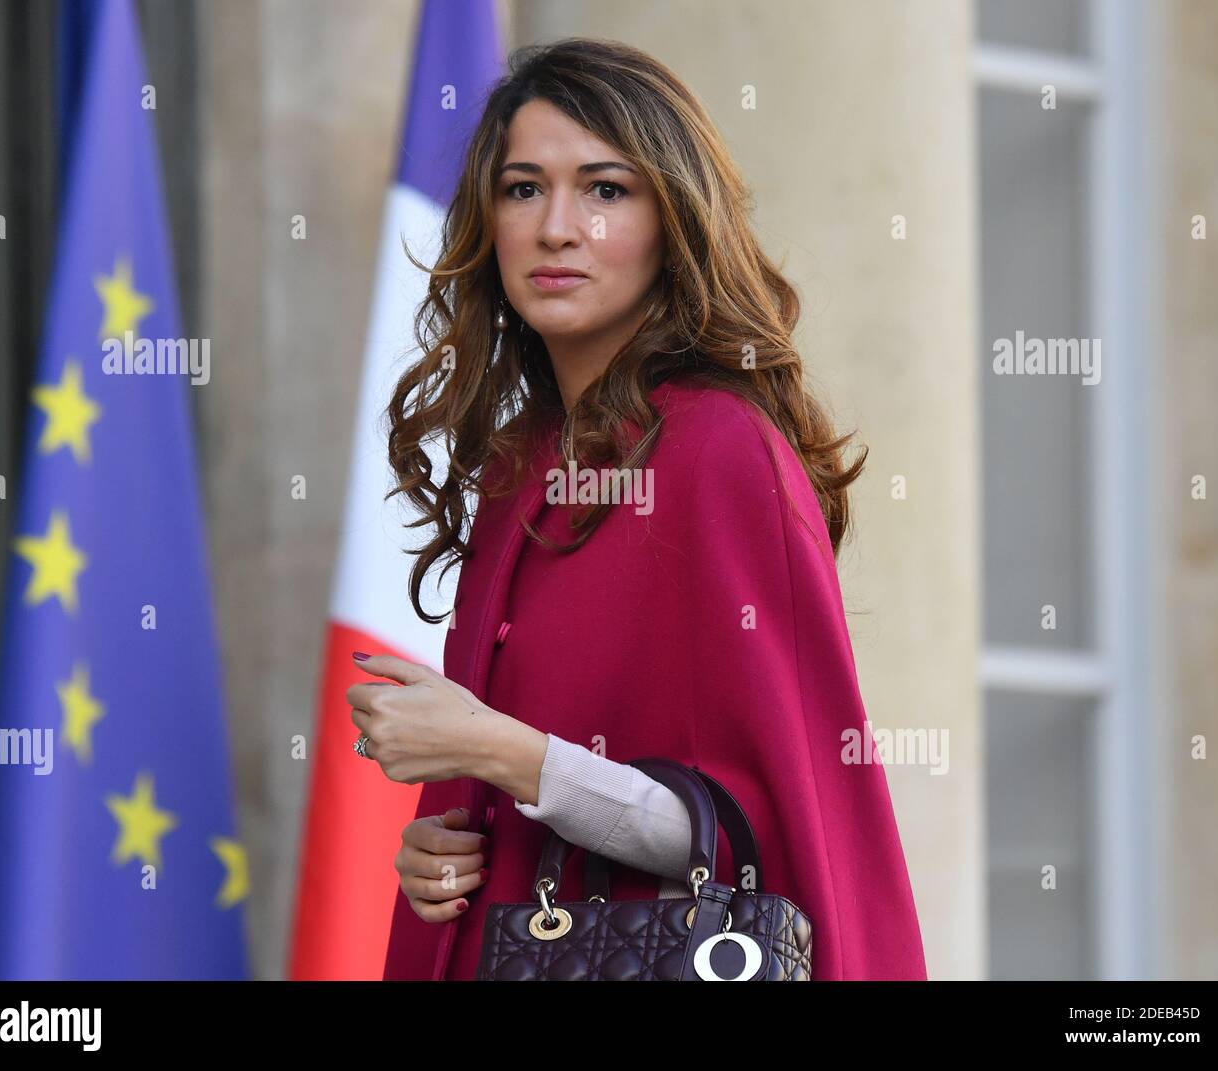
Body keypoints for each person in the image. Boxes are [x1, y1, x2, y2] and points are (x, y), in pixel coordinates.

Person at [348, 37, 928, 981]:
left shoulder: (718, 451)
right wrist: (445, 863)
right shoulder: (517, 468)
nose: (557, 228)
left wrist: (499, 750)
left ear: (674, 221)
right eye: (523, 188)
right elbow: (527, 802)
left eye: (606, 190)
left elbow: (757, 840)